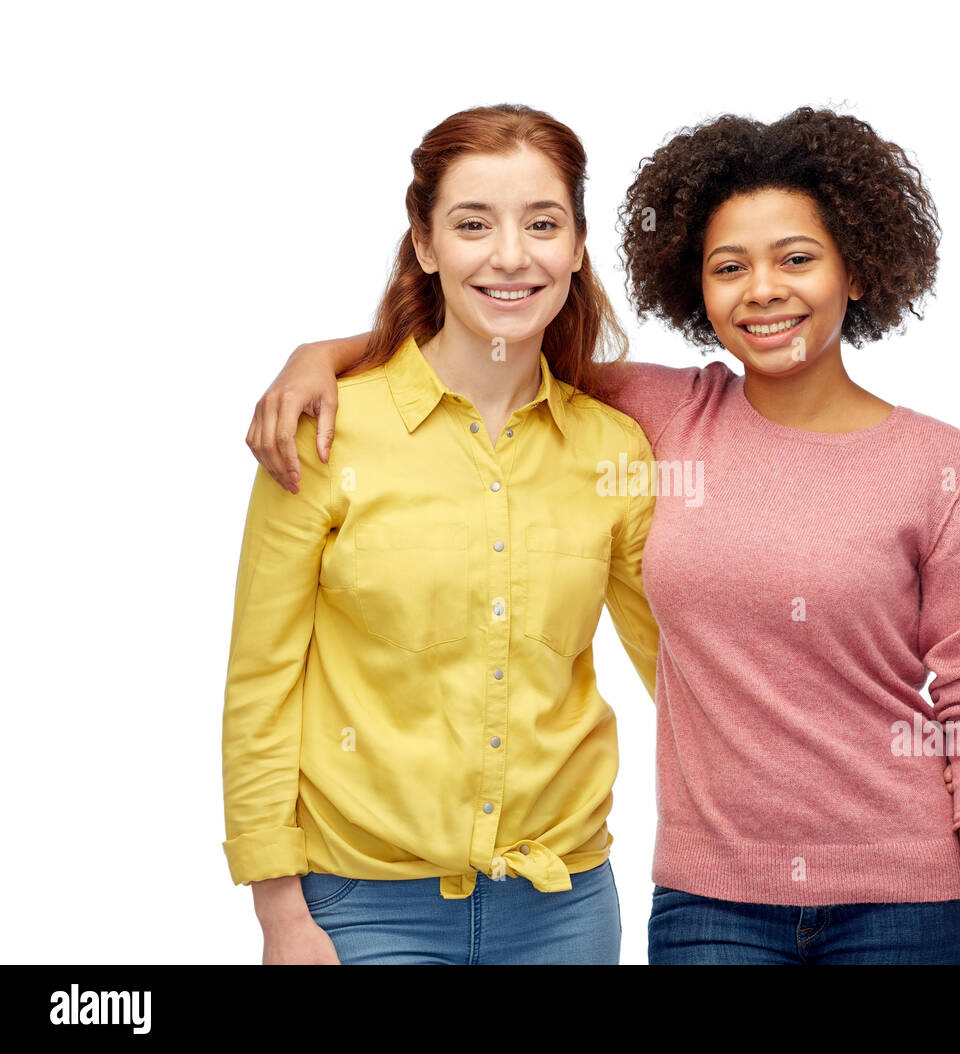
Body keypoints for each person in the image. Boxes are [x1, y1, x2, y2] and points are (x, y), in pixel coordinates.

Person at [249, 108, 960, 966]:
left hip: (880, 895)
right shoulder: (659, 418)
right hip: (697, 903)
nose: (763, 288)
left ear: (859, 269)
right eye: (730, 266)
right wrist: (326, 354)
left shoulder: (935, 468)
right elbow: (492, 334)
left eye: (798, 257)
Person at [222, 104, 662, 965]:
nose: (510, 255)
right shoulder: (322, 431)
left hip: (565, 909)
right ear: (424, 243)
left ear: (576, 245)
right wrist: (279, 912)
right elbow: (262, 685)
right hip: (359, 909)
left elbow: (682, 665)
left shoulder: (615, 449)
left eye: (542, 224)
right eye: (473, 224)